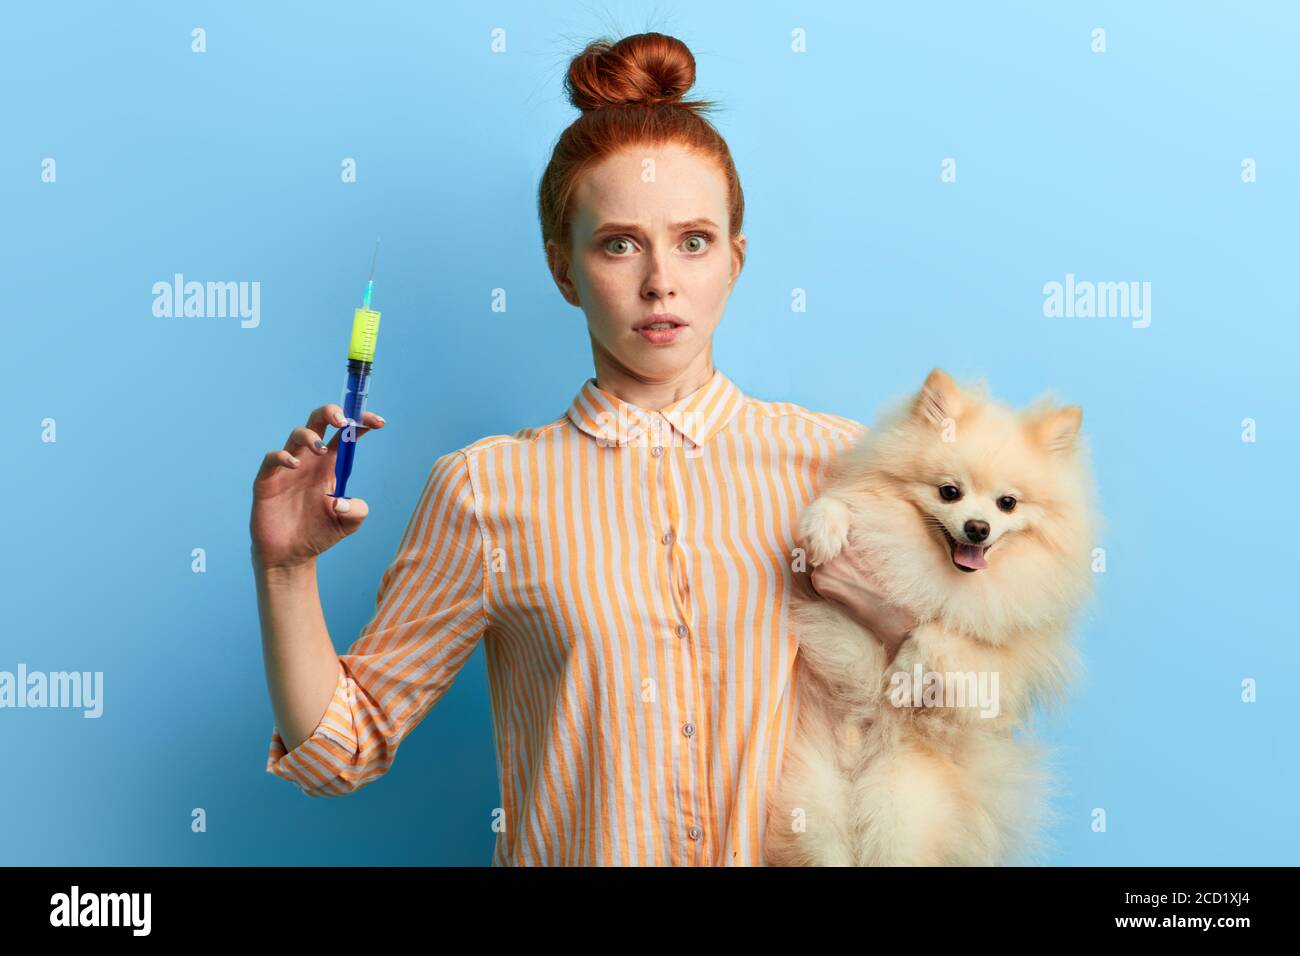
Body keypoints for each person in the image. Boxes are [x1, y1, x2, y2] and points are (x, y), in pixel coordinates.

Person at [250, 31, 920, 866]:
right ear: (564, 270)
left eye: (694, 240)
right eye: (619, 243)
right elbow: (339, 752)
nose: (660, 283)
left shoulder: (844, 468)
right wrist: (284, 571)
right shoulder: (483, 492)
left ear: (736, 261)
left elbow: (957, 727)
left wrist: (905, 626)